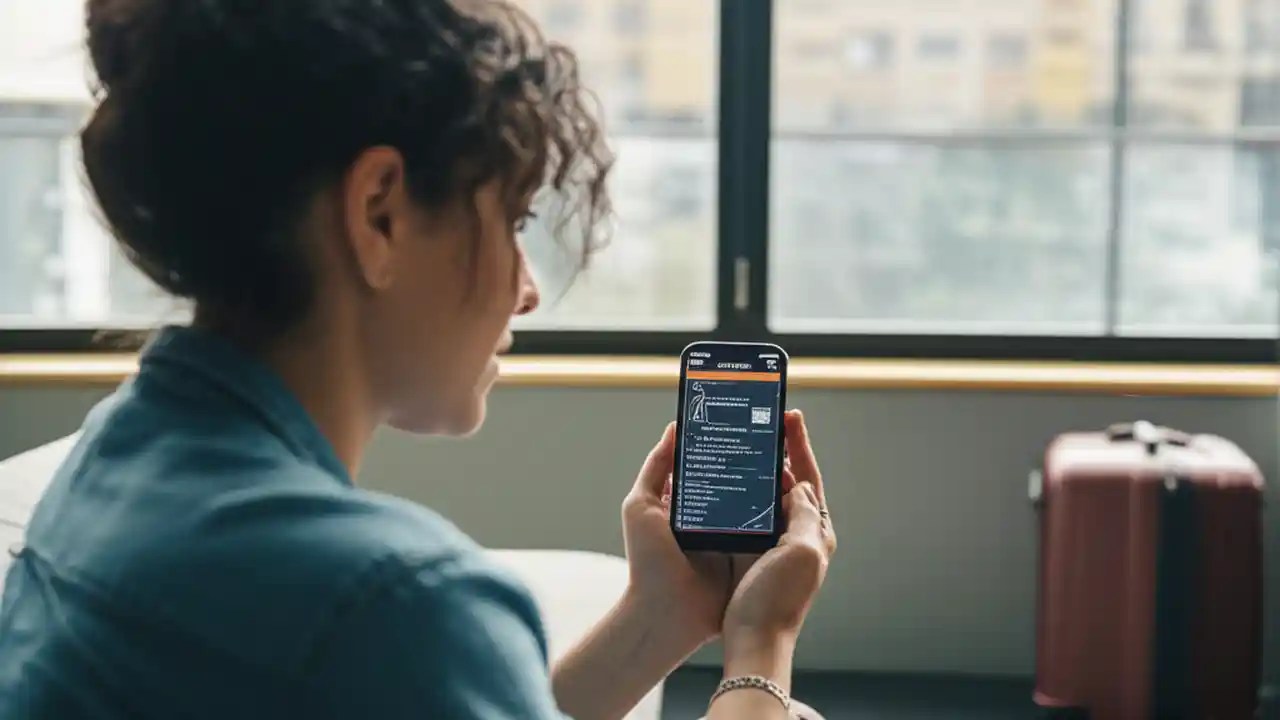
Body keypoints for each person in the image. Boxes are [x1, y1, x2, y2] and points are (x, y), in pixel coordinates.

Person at [0, 1, 838, 718]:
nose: (528, 291)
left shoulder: (108, 458)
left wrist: (665, 613)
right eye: (511, 222)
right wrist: (759, 657)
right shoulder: (394, 602)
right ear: (380, 215)